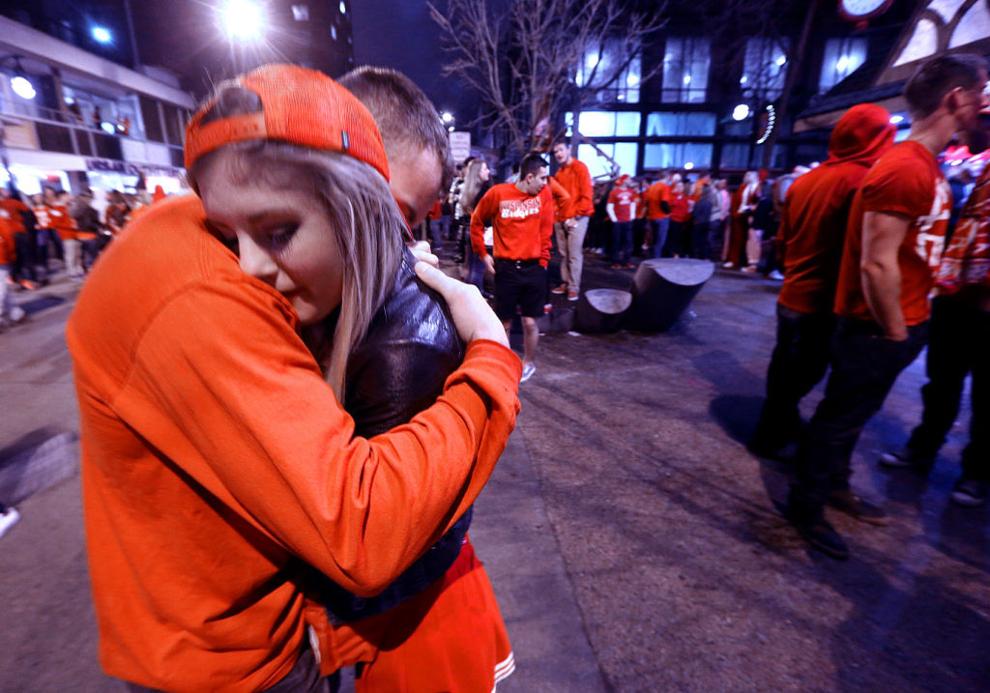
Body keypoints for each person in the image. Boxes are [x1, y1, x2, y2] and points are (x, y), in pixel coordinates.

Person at [67, 64, 521, 691]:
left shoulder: (195, 253)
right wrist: (493, 359)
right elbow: (362, 533)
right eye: (235, 231)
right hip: (230, 669)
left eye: (277, 232)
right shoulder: (205, 293)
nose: (250, 265)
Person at [785, 53, 989, 560]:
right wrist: (897, 330)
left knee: (854, 416)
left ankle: (834, 486)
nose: (983, 109)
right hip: (877, 326)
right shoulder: (903, 168)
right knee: (838, 417)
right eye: (980, 97)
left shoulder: (922, 164)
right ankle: (805, 506)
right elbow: (877, 265)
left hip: (900, 320)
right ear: (955, 98)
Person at [750, 104, 896, 457]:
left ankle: (774, 430)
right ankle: (774, 437)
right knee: (806, 373)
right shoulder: (863, 181)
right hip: (826, 297)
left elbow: (783, 240)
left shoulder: (805, 182)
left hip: (794, 291)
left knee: (786, 368)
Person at [880, 108, 990, 506]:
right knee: (940, 382)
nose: (965, 127)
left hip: (984, 304)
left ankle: (976, 472)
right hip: (955, 297)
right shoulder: (969, 174)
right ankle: (923, 448)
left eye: (976, 121)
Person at [471, 153, 553, 383]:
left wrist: (543, 263)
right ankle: (503, 364)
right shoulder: (498, 194)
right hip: (506, 268)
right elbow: (476, 221)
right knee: (504, 322)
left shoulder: (544, 195)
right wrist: (483, 255)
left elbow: (546, 232)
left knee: (530, 322)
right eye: (543, 178)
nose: (546, 183)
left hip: (533, 268)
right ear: (529, 177)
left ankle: (529, 362)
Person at [551, 140, 593, 301]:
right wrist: (556, 214)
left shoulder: (580, 168)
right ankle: (566, 282)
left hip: (577, 218)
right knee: (563, 254)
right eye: (556, 152)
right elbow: (556, 196)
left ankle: (573, 287)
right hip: (561, 219)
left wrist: (575, 217)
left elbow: (586, 196)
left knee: (574, 254)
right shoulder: (559, 173)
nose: (558, 154)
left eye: (561, 150)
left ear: (569, 149)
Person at [725, 171, 759, 268]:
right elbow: (736, 201)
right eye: (746, 175)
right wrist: (735, 213)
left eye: (749, 175)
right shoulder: (743, 187)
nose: (747, 177)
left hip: (751, 216)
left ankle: (749, 263)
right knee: (736, 239)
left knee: (751, 240)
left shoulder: (758, 187)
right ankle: (733, 260)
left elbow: (759, 202)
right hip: (739, 215)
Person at [607, 174, 638, 269]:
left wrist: (632, 216)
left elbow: (632, 204)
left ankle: (627, 261)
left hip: (627, 220)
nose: (630, 181)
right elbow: (610, 206)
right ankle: (615, 262)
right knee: (616, 242)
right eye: (628, 179)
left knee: (628, 242)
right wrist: (614, 219)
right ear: (624, 180)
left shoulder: (631, 192)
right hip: (618, 221)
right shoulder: (614, 192)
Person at [643, 171, 672, 259]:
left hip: (652, 216)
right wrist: (669, 212)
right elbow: (664, 203)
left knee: (654, 240)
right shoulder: (665, 187)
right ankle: (656, 261)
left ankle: (652, 259)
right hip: (662, 217)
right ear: (667, 177)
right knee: (659, 242)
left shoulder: (652, 187)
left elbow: (647, 203)